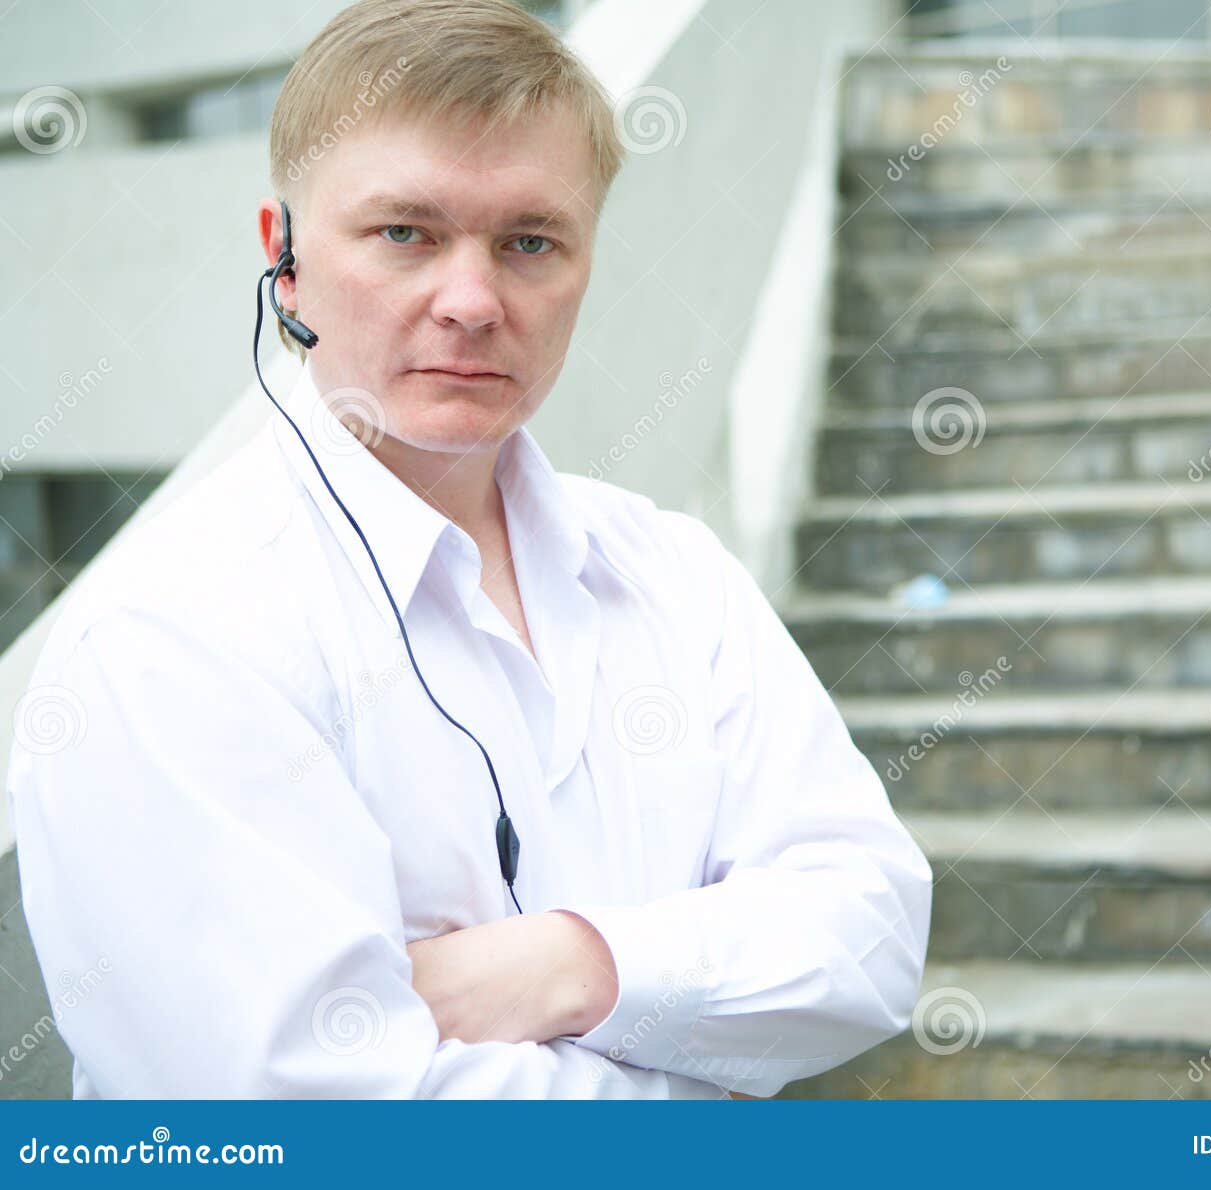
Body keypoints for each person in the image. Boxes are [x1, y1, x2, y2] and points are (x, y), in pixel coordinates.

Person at [5, 0, 931, 1099]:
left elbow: (869, 932)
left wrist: (571, 964)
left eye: (529, 241)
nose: (472, 300)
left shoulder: (677, 573)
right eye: (406, 233)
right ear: (285, 260)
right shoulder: (170, 631)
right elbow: (315, 1116)